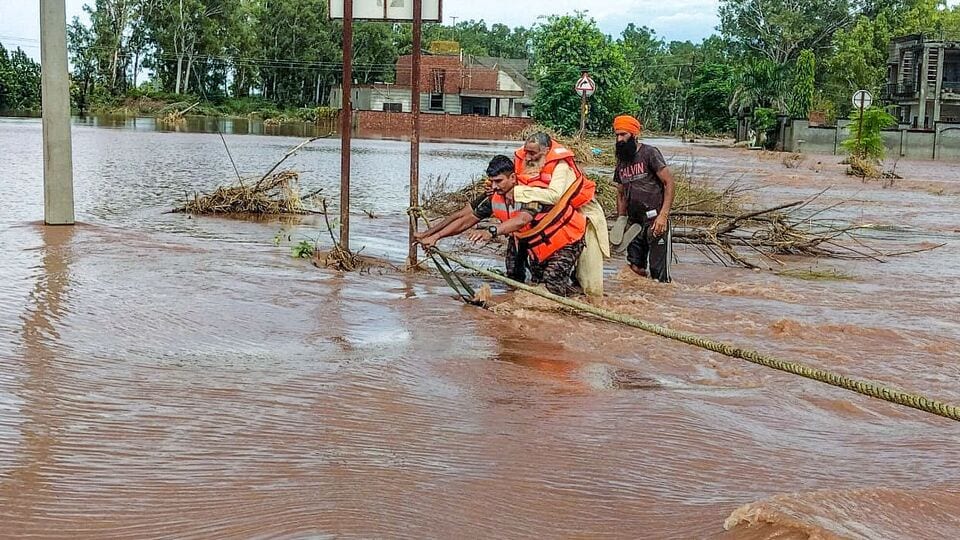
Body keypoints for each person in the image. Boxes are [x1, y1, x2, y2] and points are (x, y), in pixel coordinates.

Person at [419, 155, 589, 297]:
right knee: (524, 282)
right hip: (533, 243)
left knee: (551, 290)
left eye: (499, 181)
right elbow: (467, 219)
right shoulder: (495, 197)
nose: (494, 186)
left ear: (513, 178)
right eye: (492, 181)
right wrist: (435, 237)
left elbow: (522, 220)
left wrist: (491, 231)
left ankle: (582, 301)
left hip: (566, 241)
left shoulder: (531, 193)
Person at [511, 132, 609, 297]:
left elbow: (555, 196)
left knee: (589, 282)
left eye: (533, 153)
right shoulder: (525, 160)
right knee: (540, 280)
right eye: (526, 152)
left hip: (583, 215)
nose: (528, 157)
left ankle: (590, 304)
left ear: (546, 150)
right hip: (551, 222)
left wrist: (517, 192)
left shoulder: (561, 166)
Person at [610, 115, 676, 283]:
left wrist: (663, 216)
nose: (619, 139)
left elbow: (669, 182)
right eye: (617, 135)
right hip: (634, 223)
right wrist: (621, 220)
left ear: (634, 135)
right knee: (635, 270)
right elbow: (621, 193)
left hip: (655, 221)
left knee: (659, 278)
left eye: (623, 134)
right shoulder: (621, 160)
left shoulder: (649, 153)